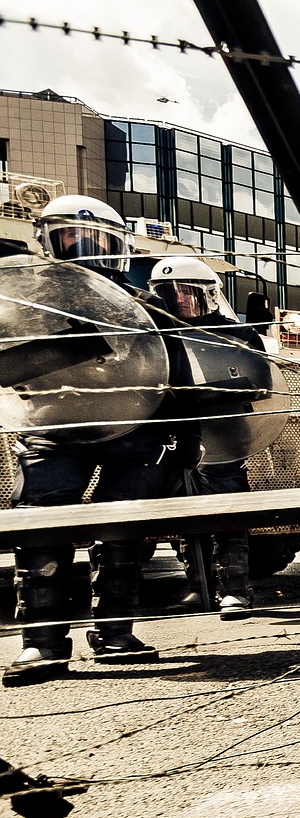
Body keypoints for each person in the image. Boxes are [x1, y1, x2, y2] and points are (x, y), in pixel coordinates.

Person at [7, 196, 171, 683]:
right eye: (71, 238)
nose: (86, 250)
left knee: (123, 535)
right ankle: (41, 644)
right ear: (47, 241)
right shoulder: (22, 298)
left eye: (99, 241)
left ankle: (116, 635)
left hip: (134, 428)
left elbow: (174, 374)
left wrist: (181, 436)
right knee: (39, 532)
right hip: (50, 426)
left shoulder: (145, 303)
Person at [148, 255, 264, 619]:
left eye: (187, 293)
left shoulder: (237, 334)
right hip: (170, 434)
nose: (178, 301)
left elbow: (259, 382)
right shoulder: (158, 334)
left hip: (222, 435)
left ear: (209, 294)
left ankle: (235, 590)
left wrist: (205, 394)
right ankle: (198, 586)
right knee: (183, 511)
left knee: (227, 508)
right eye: (169, 293)